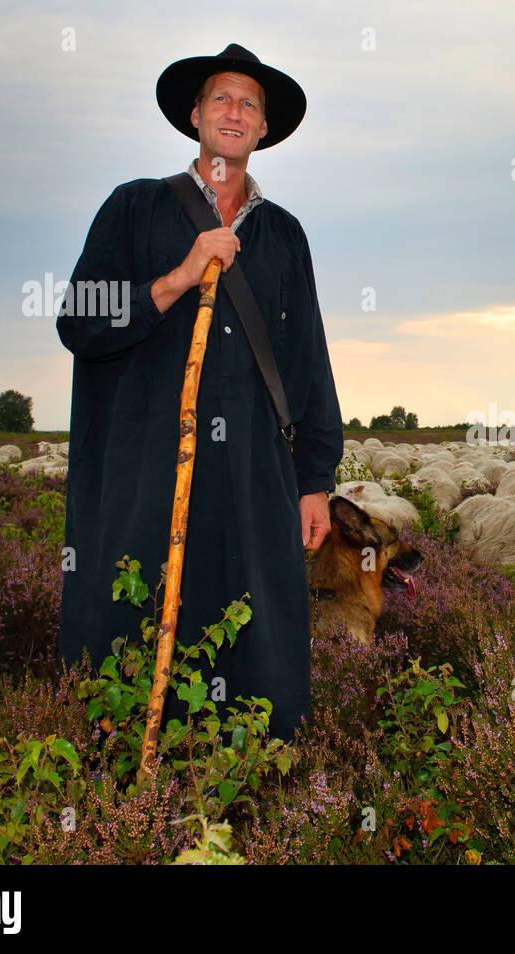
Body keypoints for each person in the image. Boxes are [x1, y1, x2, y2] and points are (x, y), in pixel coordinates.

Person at [56, 43, 343, 740]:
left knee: (256, 623)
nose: (235, 111)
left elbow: (307, 361)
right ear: (194, 116)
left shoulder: (284, 236)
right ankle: (126, 780)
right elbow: (78, 320)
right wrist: (179, 277)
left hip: (252, 470)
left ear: (264, 131)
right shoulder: (134, 208)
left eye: (250, 103)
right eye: (221, 98)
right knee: (137, 609)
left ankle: (251, 781)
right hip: (145, 465)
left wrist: (315, 480)